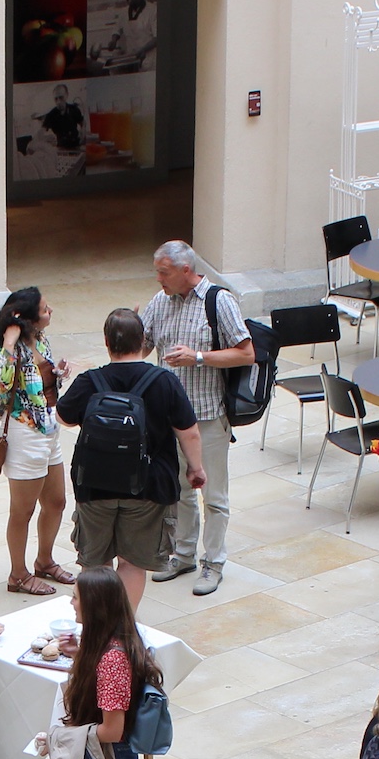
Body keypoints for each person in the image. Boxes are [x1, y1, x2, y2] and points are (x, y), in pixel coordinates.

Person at [55, 308, 201, 610]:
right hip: (149, 488)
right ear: (143, 340)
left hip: (95, 487)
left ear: (107, 342)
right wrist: (196, 469)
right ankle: (122, 627)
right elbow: (189, 433)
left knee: (95, 565)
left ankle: (96, 626)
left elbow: (63, 416)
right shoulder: (164, 380)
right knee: (133, 563)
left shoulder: (90, 380)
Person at [139, 242, 254, 596]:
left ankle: (214, 563)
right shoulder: (160, 301)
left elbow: (246, 353)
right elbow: (142, 347)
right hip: (168, 418)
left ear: (185, 270)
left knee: (214, 495)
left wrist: (199, 357)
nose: (158, 278)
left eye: (164, 272)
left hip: (206, 416)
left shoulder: (219, 301)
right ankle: (184, 554)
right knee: (179, 490)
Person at [61, 567, 157, 759]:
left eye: (75, 597)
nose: (71, 603)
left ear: (93, 605)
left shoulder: (112, 661)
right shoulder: (112, 642)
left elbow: (113, 730)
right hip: (108, 754)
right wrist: (80, 654)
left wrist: (66, 738)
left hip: (110, 758)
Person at [0, 288, 73, 596]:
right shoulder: (7, 351)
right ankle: (18, 574)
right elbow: (1, 384)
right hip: (25, 435)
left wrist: (57, 373)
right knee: (22, 511)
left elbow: (39, 384)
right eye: (46, 309)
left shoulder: (41, 340)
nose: (51, 312)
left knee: (56, 501)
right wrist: (9, 342)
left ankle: (45, 560)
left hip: (49, 429)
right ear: (28, 317)